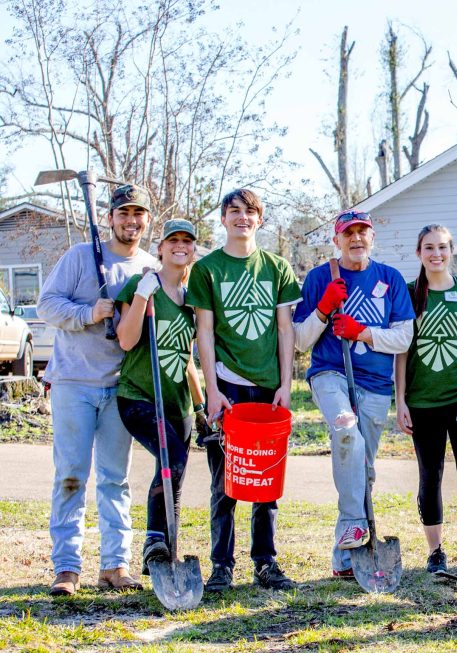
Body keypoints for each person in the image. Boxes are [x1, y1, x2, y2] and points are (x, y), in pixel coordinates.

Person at [39, 184, 158, 595]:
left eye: (138, 213)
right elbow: (47, 305)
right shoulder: (78, 256)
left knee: (115, 479)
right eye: (124, 213)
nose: (131, 220)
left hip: (119, 386)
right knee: (71, 475)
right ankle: (67, 568)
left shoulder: (149, 267)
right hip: (74, 381)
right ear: (110, 217)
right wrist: (88, 312)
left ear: (147, 219)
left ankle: (115, 565)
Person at [186, 188, 301, 592]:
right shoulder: (207, 270)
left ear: (260, 220)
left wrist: (286, 385)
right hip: (228, 386)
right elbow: (204, 331)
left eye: (249, 211)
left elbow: (285, 329)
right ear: (223, 219)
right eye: (234, 211)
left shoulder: (276, 267)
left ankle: (265, 563)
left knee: (265, 480)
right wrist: (212, 391)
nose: (242, 218)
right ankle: (222, 565)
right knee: (226, 481)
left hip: (269, 388)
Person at [293, 210, 414, 578]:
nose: (356, 239)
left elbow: (404, 337)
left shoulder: (390, 279)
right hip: (331, 374)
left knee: (364, 468)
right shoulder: (319, 278)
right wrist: (324, 307)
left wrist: (362, 332)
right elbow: (299, 341)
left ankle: (345, 556)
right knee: (346, 433)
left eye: (363, 232)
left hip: (375, 384)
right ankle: (353, 532)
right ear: (337, 240)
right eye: (349, 233)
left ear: (372, 238)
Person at [394, 224, 457, 574]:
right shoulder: (408, 293)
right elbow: (401, 352)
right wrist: (401, 400)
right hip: (423, 403)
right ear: (419, 253)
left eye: (442, 247)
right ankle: (435, 551)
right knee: (430, 475)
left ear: (452, 251)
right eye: (428, 248)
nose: (436, 254)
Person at [115, 219, 205, 575]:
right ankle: (154, 538)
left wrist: (199, 406)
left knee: (175, 474)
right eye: (173, 241)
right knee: (173, 457)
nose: (180, 246)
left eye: (187, 241)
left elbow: (185, 359)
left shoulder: (191, 300)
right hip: (138, 395)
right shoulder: (142, 285)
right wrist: (142, 296)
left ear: (193, 250)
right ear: (161, 248)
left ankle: (166, 552)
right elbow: (125, 339)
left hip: (177, 401)